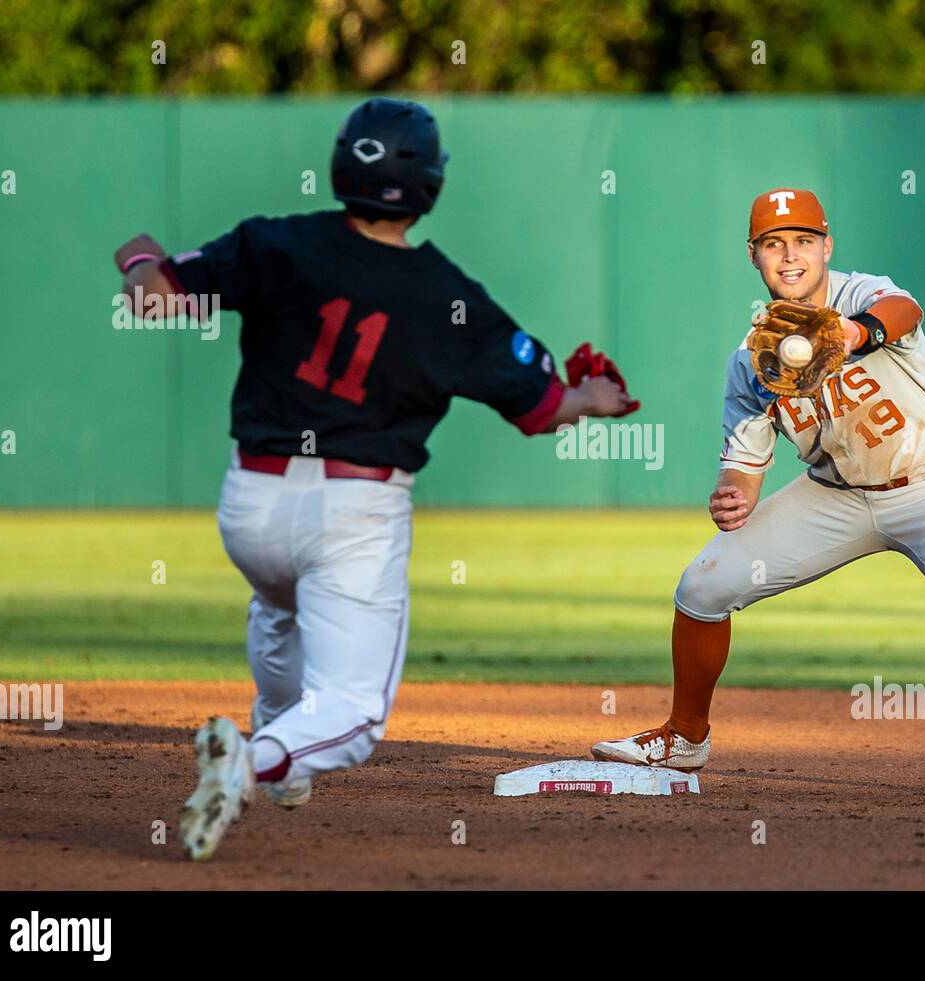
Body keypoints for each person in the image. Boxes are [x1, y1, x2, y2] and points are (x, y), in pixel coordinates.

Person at [113, 98, 637, 860]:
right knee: (356, 716)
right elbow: (544, 407)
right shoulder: (447, 294)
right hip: (354, 508)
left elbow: (152, 296)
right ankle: (255, 760)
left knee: (279, 602)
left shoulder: (275, 244)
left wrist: (136, 260)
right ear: (428, 185)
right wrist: (598, 399)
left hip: (250, 506)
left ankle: (278, 740)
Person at [591, 187, 925, 802]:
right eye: (773, 245)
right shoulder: (751, 358)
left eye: (803, 241)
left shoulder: (860, 294)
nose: (790, 257)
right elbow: (743, 466)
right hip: (836, 496)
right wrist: (731, 495)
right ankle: (685, 738)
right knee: (703, 585)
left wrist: (854, 332)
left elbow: (906, 310)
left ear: (826, 246)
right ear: (753, 256)